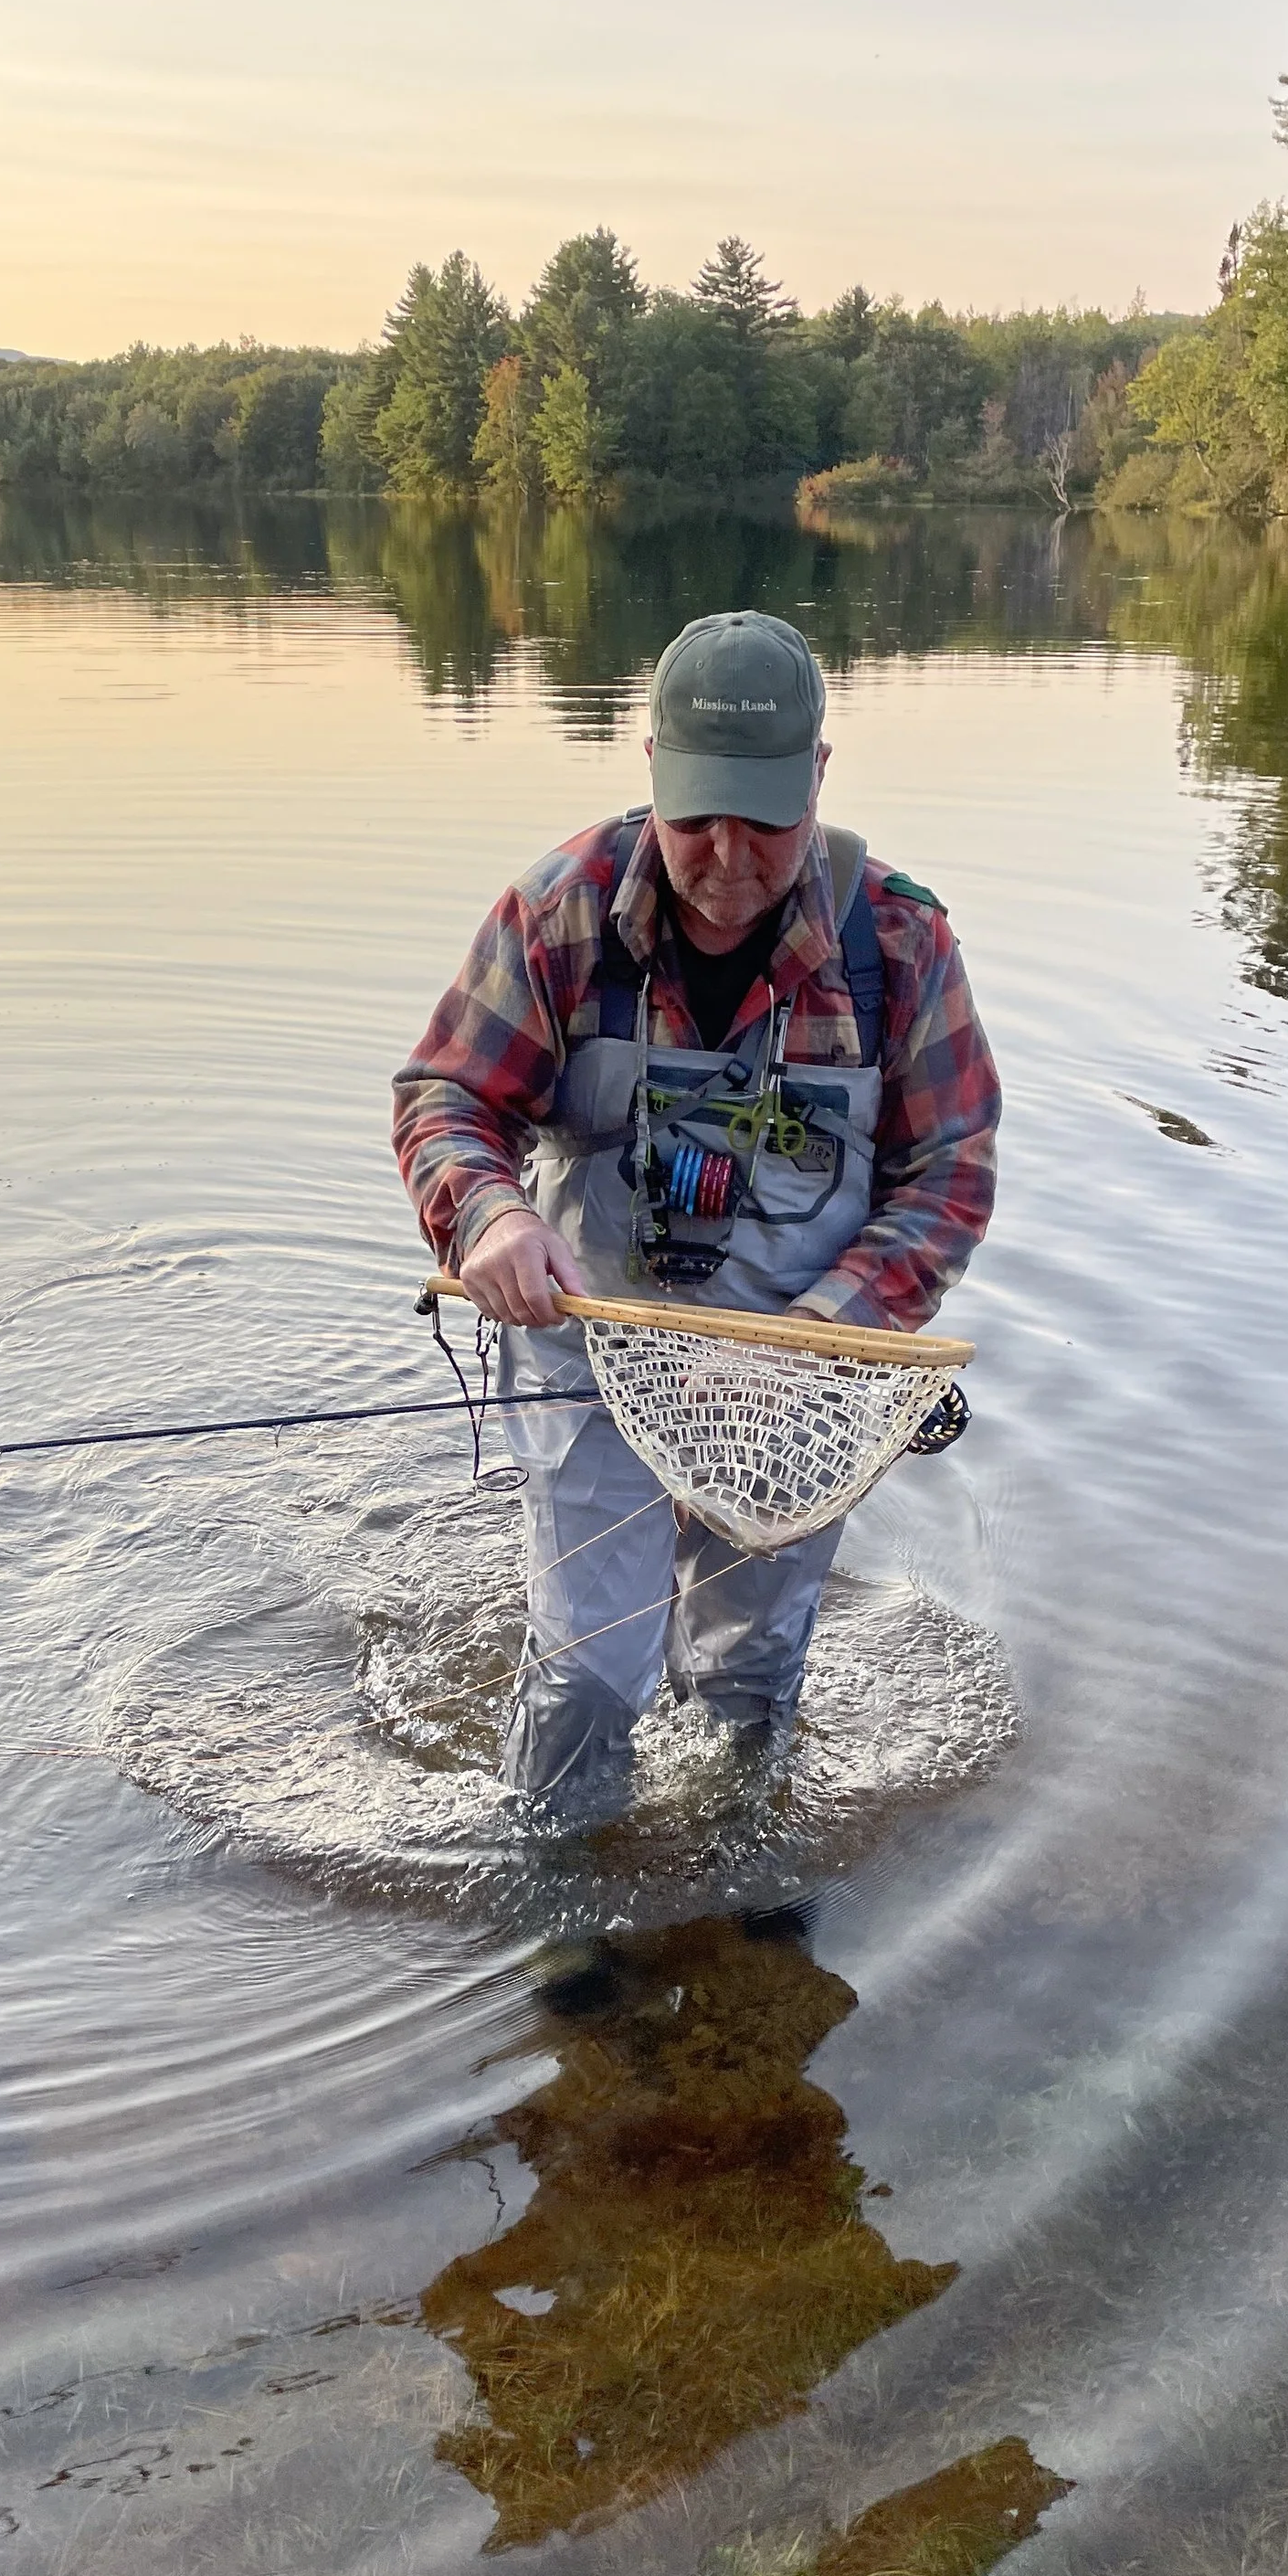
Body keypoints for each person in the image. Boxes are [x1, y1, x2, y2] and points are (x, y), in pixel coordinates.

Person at [393, 609, 1000, 1819]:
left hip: (796, 1375)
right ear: (653, 775)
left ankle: (735, 1903)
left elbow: (950, 1169)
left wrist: (828, 1338)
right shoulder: (557, 914)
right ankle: (560, 1944)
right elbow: (449, 1095)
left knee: (749, 1675)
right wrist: (490, 1217)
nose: (728, 856)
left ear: (818, 779)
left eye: (766, 823)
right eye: (696, 818)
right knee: (587, 1674)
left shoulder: (899, 943)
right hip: (594, 1353)